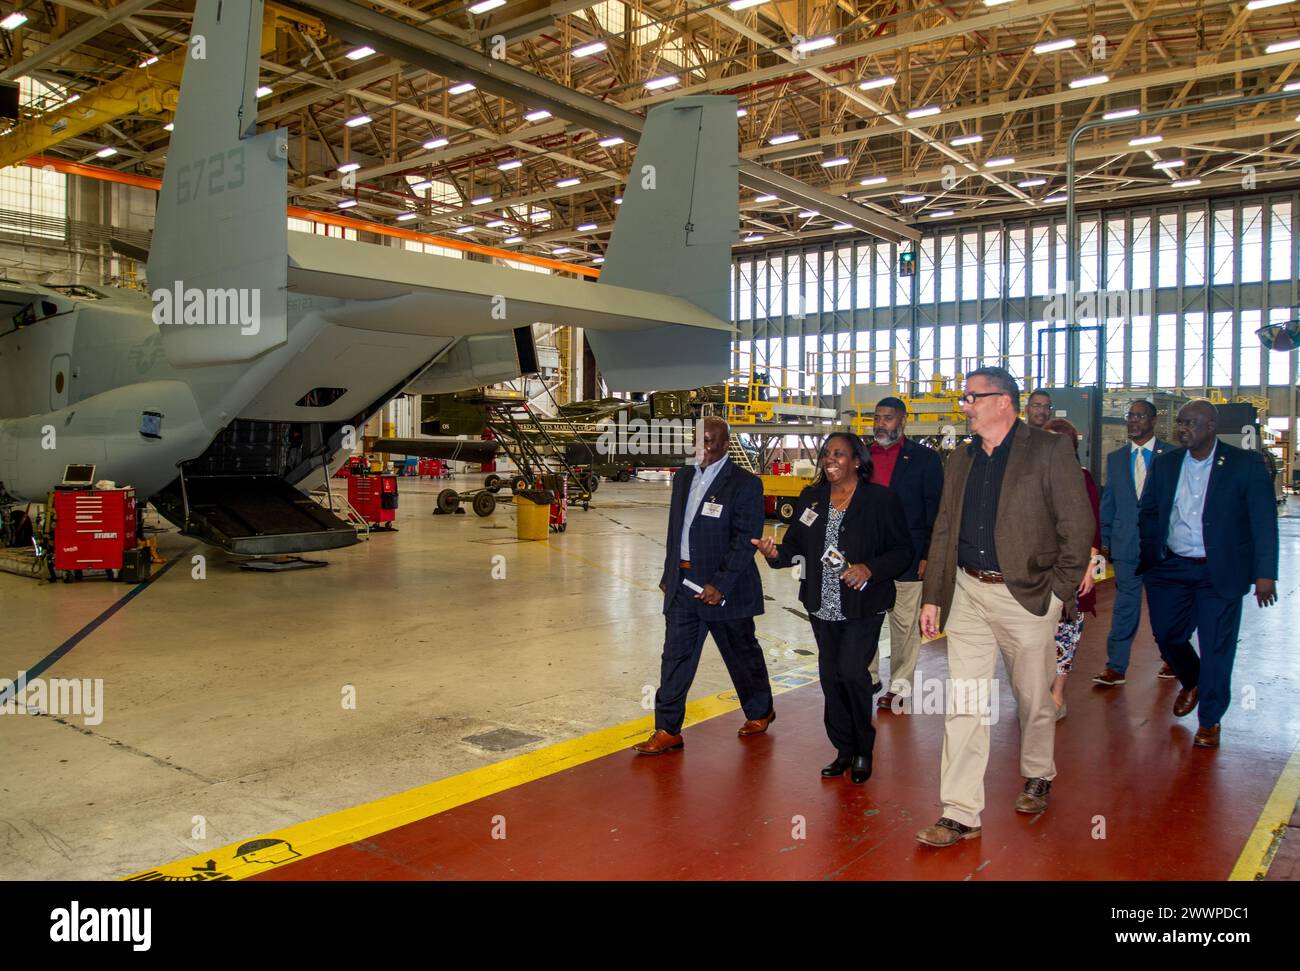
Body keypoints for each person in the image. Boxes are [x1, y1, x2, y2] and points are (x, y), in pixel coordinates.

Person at [914, 367, 1093, 848]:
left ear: (1002, 402)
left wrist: (1058, 591)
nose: (964, 405)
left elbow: (1077, 525)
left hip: (1028, 595)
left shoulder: (1049, 450)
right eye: (965, 397)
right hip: (969, 593)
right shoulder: (960, 459)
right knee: (965, 704)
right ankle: (959, 812)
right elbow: (944, 527)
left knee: (1033, 696)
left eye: (972, 397)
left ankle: (1038, 773)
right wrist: (934, 594)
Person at [752, 432, 912, 784]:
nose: (830, 459)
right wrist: (775, 553)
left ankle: (862, 750)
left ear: (857, 460)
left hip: (861, 604)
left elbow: (903, 551)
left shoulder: (880, 501)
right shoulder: (812, 498)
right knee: (831, 676)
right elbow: (795, 546)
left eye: (839, 454)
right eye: (827, 453)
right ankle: (842, 748)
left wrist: (869, 568)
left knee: (853, 673)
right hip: (820, 604)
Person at [1136, 400, 1279, 748]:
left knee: (1217, 646)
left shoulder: (1244, 465)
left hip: (1221, 570)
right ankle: (1194, 679)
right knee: (1168, 635)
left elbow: (1263, 521)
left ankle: (1210, 719)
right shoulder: (1166, 464)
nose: (1183, 428)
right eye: (1181, 423)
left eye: (1192, 423)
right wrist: (1151, 551)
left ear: (1211, 427)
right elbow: (1151, 510)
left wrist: (1265, 574)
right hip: (1172, 567)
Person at [634, 417, 776, 754]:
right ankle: (668, 729)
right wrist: (671, 573)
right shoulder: (684, 477)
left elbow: (745, 541)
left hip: (726, 589)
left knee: (741, 654)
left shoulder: (744, 484)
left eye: (711, 441)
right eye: (699, 440)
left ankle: (760, 710)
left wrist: (720, 584)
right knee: (675, 658)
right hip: (684, 584)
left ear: (726, 445)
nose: (703, 447)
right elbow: (677, 531)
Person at [864, 397, 944, 710]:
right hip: (866, 558)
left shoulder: (924, 459)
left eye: (888, 418)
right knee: (865, 619)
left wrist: (928, 554)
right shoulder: (863, 457)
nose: (881, 423)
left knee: (904, 625)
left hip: (908, 557)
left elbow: (936, 510)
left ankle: (900, 684)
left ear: (902, 421)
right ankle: (867, 675)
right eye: (877, 417)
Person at [1093, 400, 1174, 687]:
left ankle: (1172, 657)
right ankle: (1115, 666)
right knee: (1124, 607)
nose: (1133, 421)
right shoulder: (1116, 458)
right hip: (1126, 545)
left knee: (1163, 606)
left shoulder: (1172, 455)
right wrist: (1104, 540)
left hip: (1161, 548)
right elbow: (1109, 501)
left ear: (1153, 421)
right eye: (1130, 416)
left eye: (1140, 416)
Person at [1041, 417, 1101, 720]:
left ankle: (1057, 694)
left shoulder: (1082, 478)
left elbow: (1092, 527)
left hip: (1070, 571)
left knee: (1065, 634)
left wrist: (1089, 568)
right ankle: (1037, 692)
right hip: (1037, 572)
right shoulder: (1031, 478)